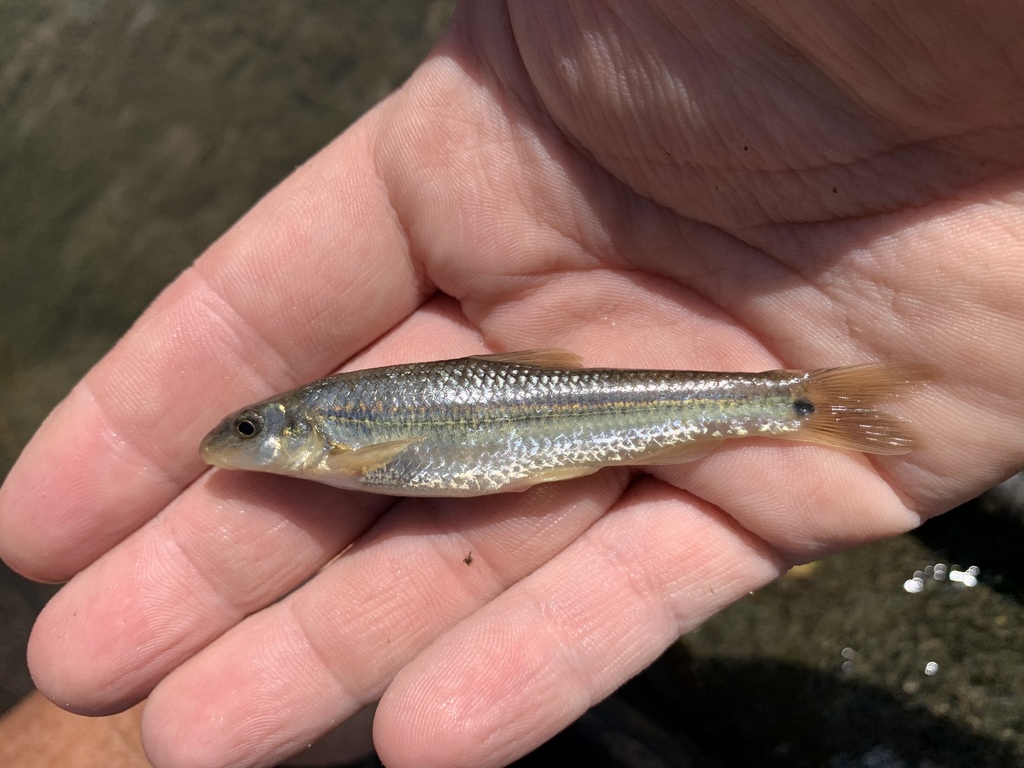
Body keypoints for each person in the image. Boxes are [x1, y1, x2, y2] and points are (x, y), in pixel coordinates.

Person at [2, 2, 1023, 767]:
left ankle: (800, 404)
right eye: (255, 430)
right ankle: (800, 406)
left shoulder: (338, 437)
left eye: (258, 431)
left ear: (304, 430)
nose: (245, 445)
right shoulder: (330, 442)